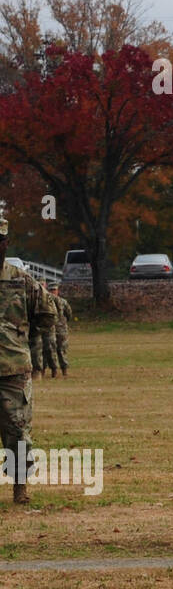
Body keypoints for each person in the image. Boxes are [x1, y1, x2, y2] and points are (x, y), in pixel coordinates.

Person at [0, 215, 57, 504]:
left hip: (13, 369)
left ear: (6, 243)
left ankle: (19, 487)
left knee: (18, 431)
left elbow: (48, 313)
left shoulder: (21, 280)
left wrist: (24, 337)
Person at [49, 285, 72, 377]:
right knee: (51, 350)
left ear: (58, 291)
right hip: (50, 329)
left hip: (61, 329)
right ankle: (53, 370)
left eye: (54, 290)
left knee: (62, 350)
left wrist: (63, 323)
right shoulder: (46, 302)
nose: (53, 292)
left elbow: (69, 314)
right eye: (51, 290)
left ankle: (64, 370)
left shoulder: (63, 302)